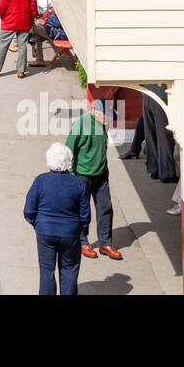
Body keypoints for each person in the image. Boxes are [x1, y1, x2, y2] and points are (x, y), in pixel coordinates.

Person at [24, 142, 89, 295]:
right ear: (69, 161)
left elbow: (29, 210)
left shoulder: (41, 181)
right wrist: (78, 230)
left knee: (46, 271)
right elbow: (85, 216)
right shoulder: (78, 184)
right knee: (69, 270)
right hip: (71, 234)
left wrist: (38, 224)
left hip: (45, 232)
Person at [67, 101, 123, 261]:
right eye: (105, 115)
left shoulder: (103, 124)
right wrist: (71, 175)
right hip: (81, 174)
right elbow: (69, 149)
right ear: (94, 111)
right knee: (84, 211)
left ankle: (105, 243)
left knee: (106, 208)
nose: (108, 119)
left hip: (101, 174)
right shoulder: (80, 125)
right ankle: (83, 241)